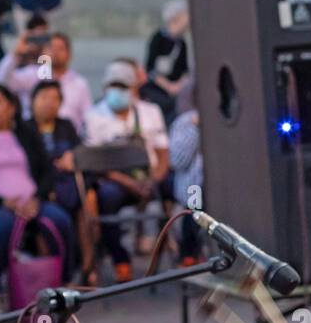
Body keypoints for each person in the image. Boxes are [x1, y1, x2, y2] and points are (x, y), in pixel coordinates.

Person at [0, 83, 74, 314]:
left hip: (32, 201)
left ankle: (65, 282)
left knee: (60, 220)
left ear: (11, 107)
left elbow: (46, 171)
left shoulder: (27, 134)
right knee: (3, 225)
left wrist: (36, 198)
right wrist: (4, 202)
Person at [85, 58, 170, 281]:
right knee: (106, 198)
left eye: (123, 86)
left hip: (151, 178)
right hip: (117, 181)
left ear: (134, 88)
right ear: (104, 88)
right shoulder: (94, 116)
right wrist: (130, 183)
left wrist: (154, 180)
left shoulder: (150, 111)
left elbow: (163, 154)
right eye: (113, 86)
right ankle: (120, 258)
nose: (118, 91)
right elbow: (97, 163)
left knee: (180, 189)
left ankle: (186, 253)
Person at [0, 30, 92, 130]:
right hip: (33, 138)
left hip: (69, 139)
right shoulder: (32, 75)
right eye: (51, 47)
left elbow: (87, 116)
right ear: (43, 52)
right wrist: (16, 53)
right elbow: (1, 82)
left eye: (60, 48)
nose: (55, 52)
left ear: (69, 54)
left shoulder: (79, 83)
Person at [23, 79, 81, 218]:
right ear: (32, 100)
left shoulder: (66, 126)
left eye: (55, 99)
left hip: (66, 179)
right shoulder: (24, 128)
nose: (49, 103)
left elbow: (79, 149)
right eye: (44, 97)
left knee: (88, 197)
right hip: (38, 182)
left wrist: (72, 156)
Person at [166, 78, 203, 263]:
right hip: (194, 188)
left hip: (227, 189)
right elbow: (177, 161)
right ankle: (189, 255)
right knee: (196, 203)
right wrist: (196, 129)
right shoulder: (185, 123)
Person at [141, 1, 189, 123]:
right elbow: (151, 68)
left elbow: (184, 69)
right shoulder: (158, 39)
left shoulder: (181, 42)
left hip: (176, 88)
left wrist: (179, 85)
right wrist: (169, 87)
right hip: (157, 89)